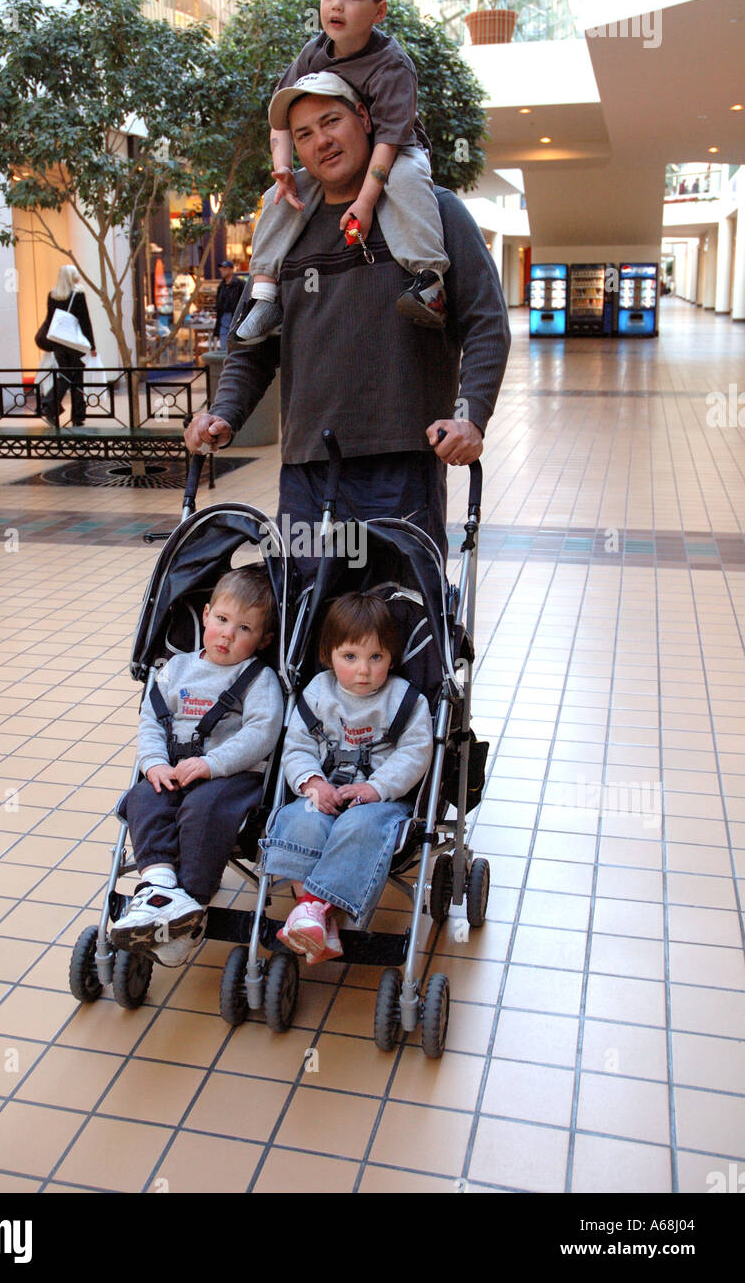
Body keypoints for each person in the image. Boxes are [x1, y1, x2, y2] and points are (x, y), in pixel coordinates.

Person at [185, 74, 510, 575]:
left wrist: (470, 415)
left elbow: (485, 322)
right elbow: (253, 342)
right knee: (303, 619)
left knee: (391, 626)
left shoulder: (432, 212)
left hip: (400, 461)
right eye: (304, 134)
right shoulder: (284, 229)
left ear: (364, 119)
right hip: (306, 470)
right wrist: (224, 411)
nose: (321, 142)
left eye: (331, 121)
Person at [235, 0, 449, 344]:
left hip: (395, 149)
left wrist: (366, 202)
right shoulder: (314, 52)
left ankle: (429, 281)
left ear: (379, 11)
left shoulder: (391, 64)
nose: (337, 5)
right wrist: (283, 167)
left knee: (406, 180)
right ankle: (263, 296)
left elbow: (388, 140)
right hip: (345, 156)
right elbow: (280, 121)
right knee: (276, 199)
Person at [111, 566, 283, 967]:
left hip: (232, 777)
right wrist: (153, 763)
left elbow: (262, 733)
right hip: (173, 769)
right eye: (222, 621)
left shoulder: (258, 678)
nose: (227, 634)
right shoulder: (175, 668)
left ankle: (191, 903)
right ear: (205, 615)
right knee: (142, 797)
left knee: (203, 810)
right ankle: (157, 884)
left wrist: (211, 763)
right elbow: (152, 719)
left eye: (244, 629)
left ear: (264, 640)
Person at [262, 592, 433, 963]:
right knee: (299, 819)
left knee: (360, 828)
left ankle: (313, 913)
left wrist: (377, 787)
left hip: (379, 801)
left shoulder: (406, 700)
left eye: (377, 657)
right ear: (329, 655)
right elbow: (296, 747)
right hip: (324, 789)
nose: (364, 670)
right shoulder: (318, 692)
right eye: (350, 657)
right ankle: (316, 916)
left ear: (392, 657)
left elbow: (415, 753)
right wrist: (311, 782)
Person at [35, 265, 97, 427]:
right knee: (76, 376)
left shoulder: (52, 295)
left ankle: (54, 407)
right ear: (72, 277)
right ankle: (59, 408)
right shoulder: (78, 295)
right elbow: (85, 321)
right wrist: (92, 345)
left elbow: (50, 319)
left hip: (58, 343)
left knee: (65, 374)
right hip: (73, 343)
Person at [214, 259, 245, 349]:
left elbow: (244, 302)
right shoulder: (221, 286)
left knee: (236, 346)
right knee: (224, 347)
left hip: (235, 318)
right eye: (221, 268)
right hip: (223, 318)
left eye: (225, 268)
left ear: (231, 270)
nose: (222, 270)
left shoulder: (240, 284)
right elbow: (219, 304)